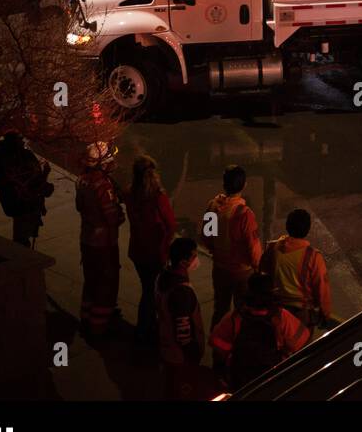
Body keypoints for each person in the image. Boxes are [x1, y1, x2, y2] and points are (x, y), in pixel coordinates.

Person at [210, 273, 311, 391]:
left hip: (240, 377)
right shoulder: (281, 317)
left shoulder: (235, 317)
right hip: (272, 377)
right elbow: (300, 342)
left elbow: (216, 343)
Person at [201, 164, 262, 329]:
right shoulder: (245, 214)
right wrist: (258, 269)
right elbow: (253, 248)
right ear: (244, 185)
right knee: (242, 312)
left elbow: (206, 237)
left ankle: (217, 344)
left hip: (220, 269)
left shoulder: (213, 207)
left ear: (224, 184)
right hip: (241, 272)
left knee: (220, 309)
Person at [126, 155, 177, 347]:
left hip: (137, 250)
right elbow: (171, 224)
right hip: (155, 252)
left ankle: (147, 328)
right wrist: (165, 246)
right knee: (151, 293)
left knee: (147, 288)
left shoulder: (130, 194)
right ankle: (145, 331)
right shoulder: (157, 198)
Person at [75, 142, 124, 338]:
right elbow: (112, 216)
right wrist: (120, 214)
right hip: (104, 242)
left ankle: (86, 318)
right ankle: (99, 328)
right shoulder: (103, 186)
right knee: (106, 284)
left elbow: (80, 207)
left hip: (86, 238)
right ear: (102, 163)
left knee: (91, 281)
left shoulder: (81, 180)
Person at [260, 209, 334, 331]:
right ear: (307, 229)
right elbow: (321, 288)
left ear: (287, 226)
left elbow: (262, 274)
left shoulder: (272, 249)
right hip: (301, 315)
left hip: (275, 310)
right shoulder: (313, 256)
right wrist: (325, 314)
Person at [156, 237, 206, 400]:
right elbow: (183, 333)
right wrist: (193, 354)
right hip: (180, 357)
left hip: (166, 347)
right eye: (193, 256)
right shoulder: (181, 293)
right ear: (184, 262)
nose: (196, 259)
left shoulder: (163, 277)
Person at [0, 131, 54, 247]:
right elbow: (33, 181)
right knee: (21, 236)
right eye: (20, 139)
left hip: (19, 202)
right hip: (23, 203)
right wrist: (44, 176)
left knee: (22, 233)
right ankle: (21, 256)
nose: (23, 141)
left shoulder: (0, 156)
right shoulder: (17, 158)